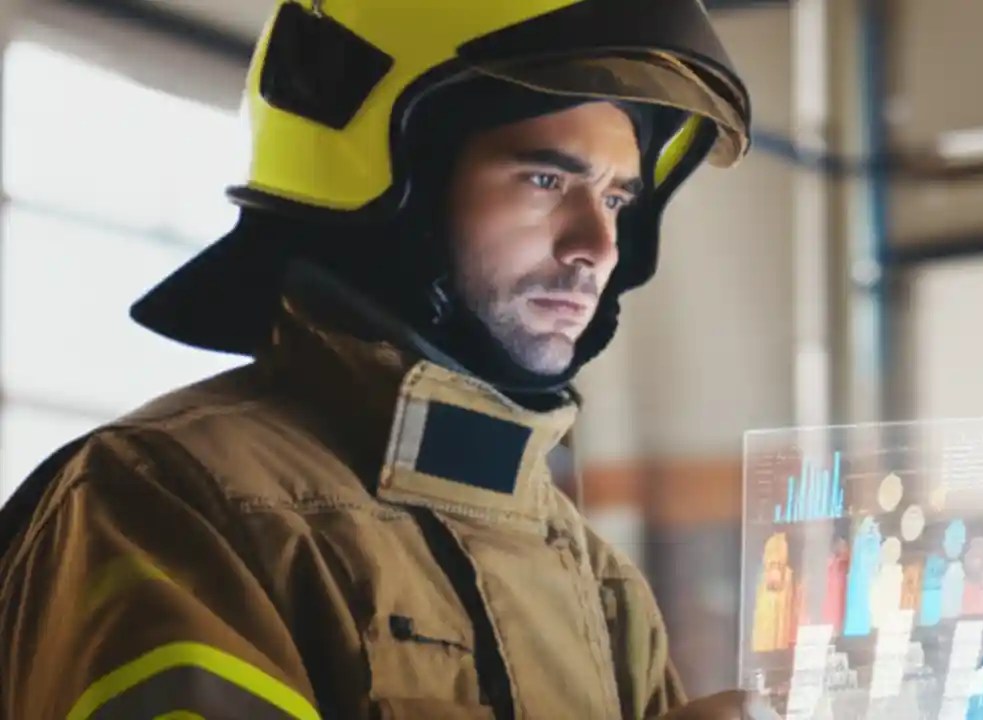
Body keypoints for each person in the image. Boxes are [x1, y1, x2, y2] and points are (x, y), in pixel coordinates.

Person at [0, 0, 764, 717]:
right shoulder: (166, 503)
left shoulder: (595, 579)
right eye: (546, 179)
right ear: (398, 187)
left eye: (617, 200)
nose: (595, 247)